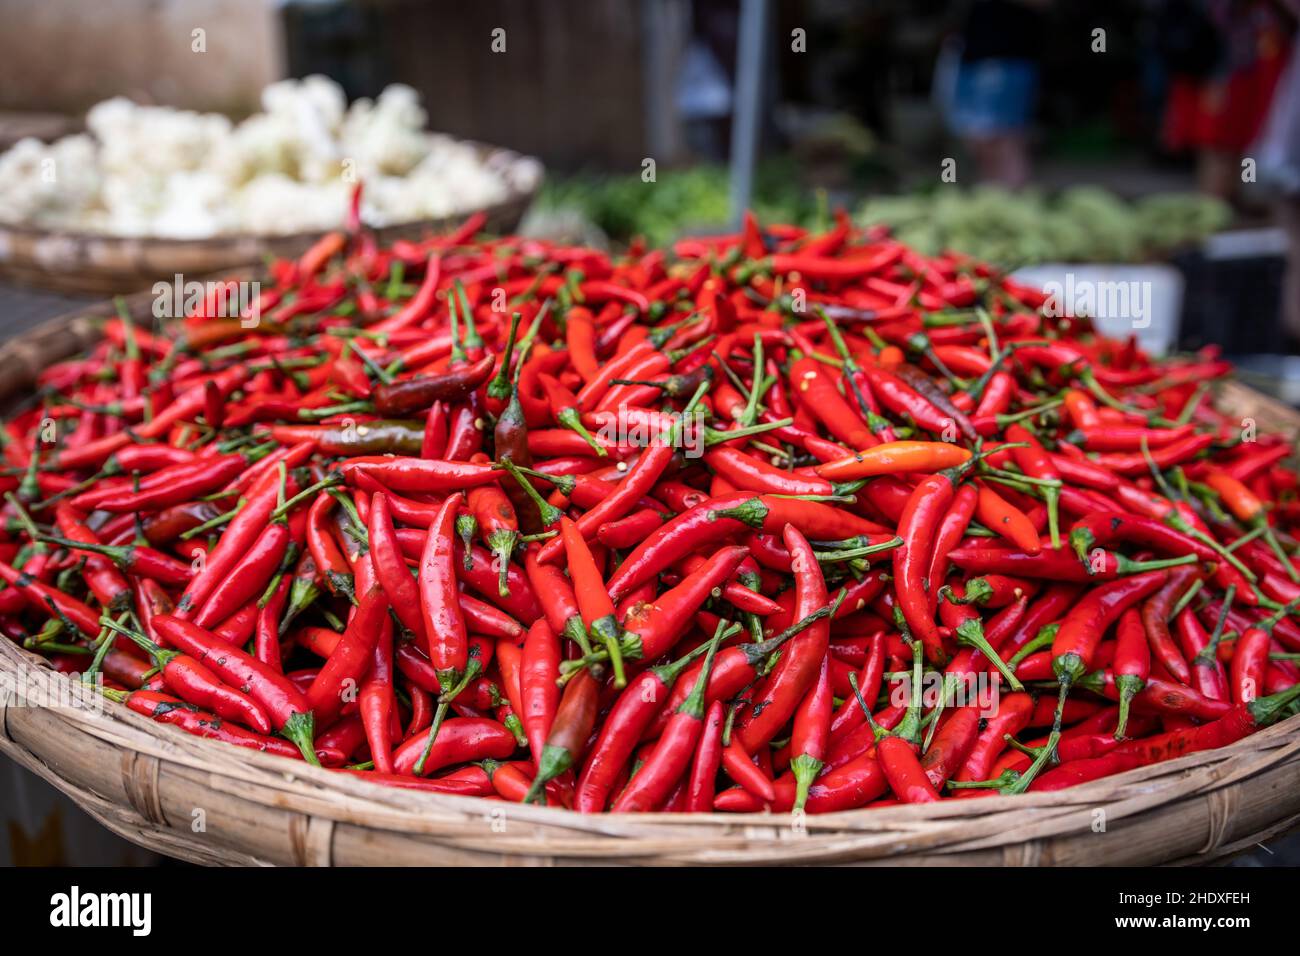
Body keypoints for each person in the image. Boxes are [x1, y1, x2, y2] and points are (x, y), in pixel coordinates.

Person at [941, 0, 1049, 189]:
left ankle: (1015, 199)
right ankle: (995, 198)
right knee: (978, 140)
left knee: (1003, 138)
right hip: (974, 56)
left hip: (1004, 58)